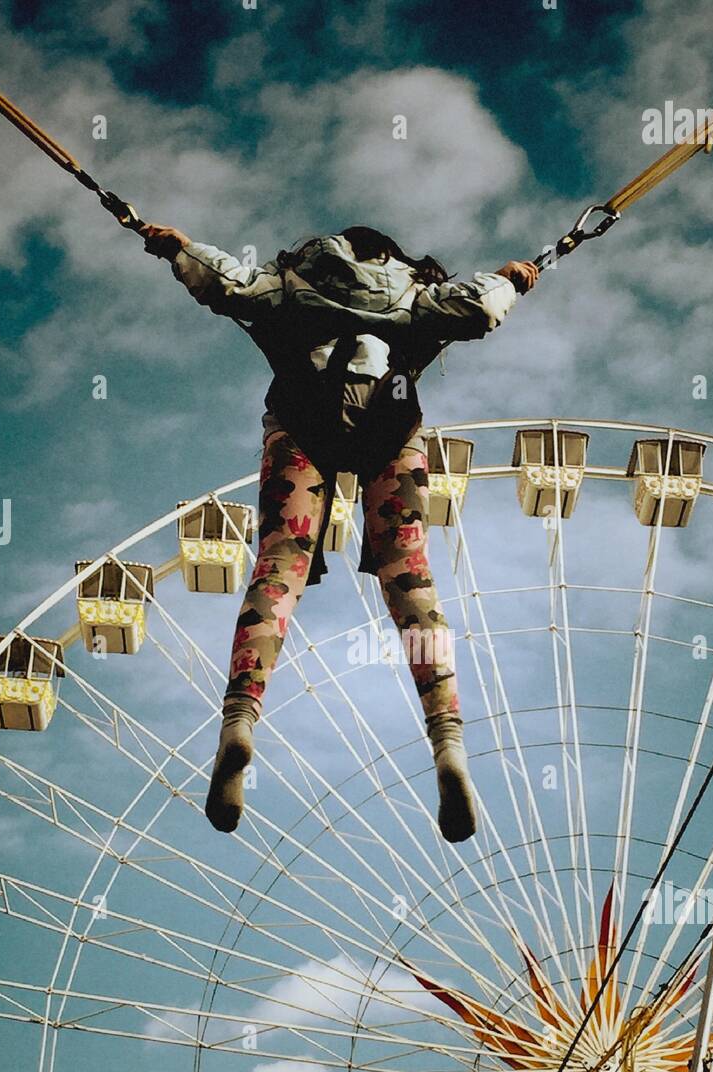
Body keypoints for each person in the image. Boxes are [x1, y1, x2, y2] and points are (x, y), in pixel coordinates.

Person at [142, 222, 539, 840]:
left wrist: (176, 246)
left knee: (278, 566)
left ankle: (240, 723)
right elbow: (479, 308)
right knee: (413, 582)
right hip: (390, 418)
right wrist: (514, 278)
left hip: (305, 415)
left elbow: (224, 282)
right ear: (390, 254)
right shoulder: (414, 291)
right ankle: (448, 744)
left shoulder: (287, 282)